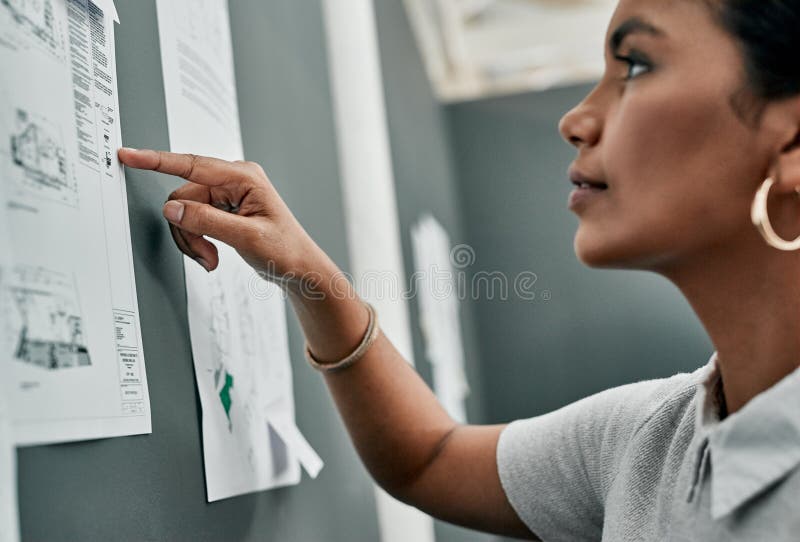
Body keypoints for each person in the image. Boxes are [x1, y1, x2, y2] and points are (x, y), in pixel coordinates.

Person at [118, 0, 800, 540]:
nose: (576, 118)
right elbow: (430, 458)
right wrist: (308, 273)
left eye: (637, 65)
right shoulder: (659, 437)